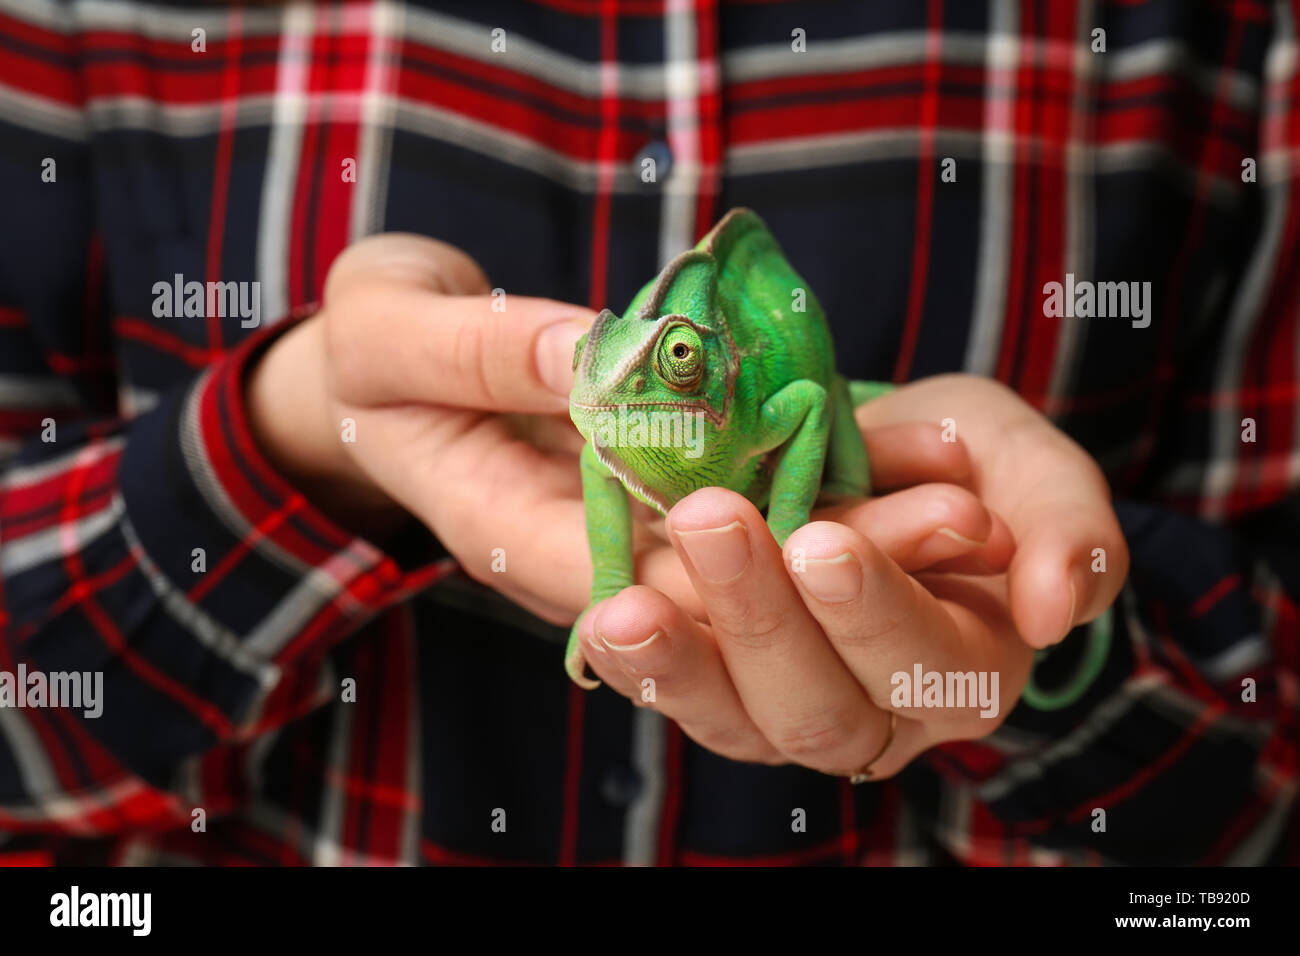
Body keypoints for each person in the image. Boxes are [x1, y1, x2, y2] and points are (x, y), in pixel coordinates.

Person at [0, 0, 1294, 866]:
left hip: (820, 437)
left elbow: (1263, 804)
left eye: (665, 360)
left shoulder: (1225, 31)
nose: (611, 400)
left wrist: (1049, 619)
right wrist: (290, 443)